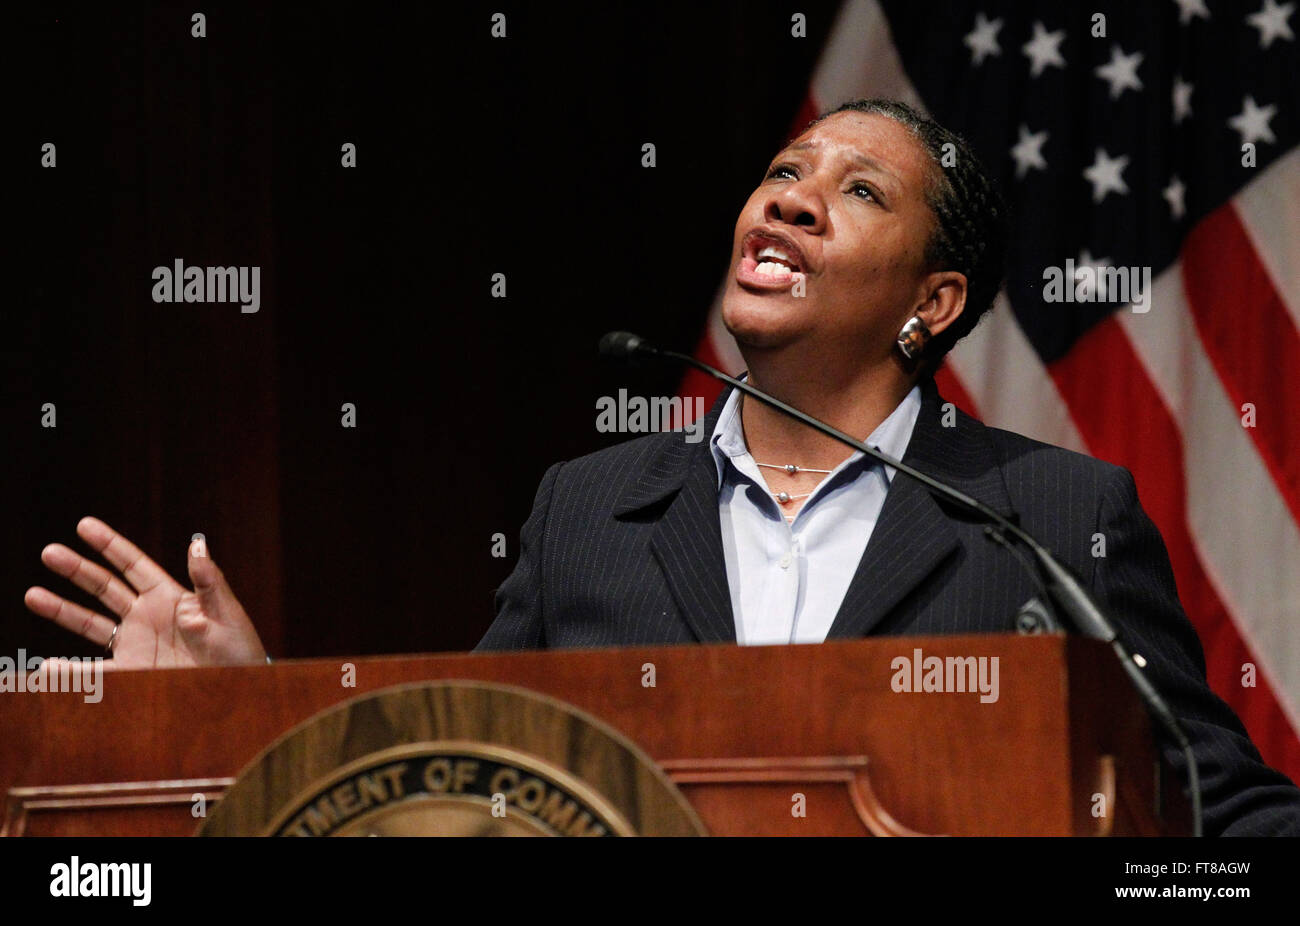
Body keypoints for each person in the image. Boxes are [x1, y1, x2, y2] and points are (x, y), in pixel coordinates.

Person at [24, 100, 1300, 835]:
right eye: (781, 172)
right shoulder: (589, 511)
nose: (790, 199)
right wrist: (253, 711)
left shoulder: (1053, 514)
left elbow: (1214, 805)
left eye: (856, 190)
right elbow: (472, 782)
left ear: (933, 300)